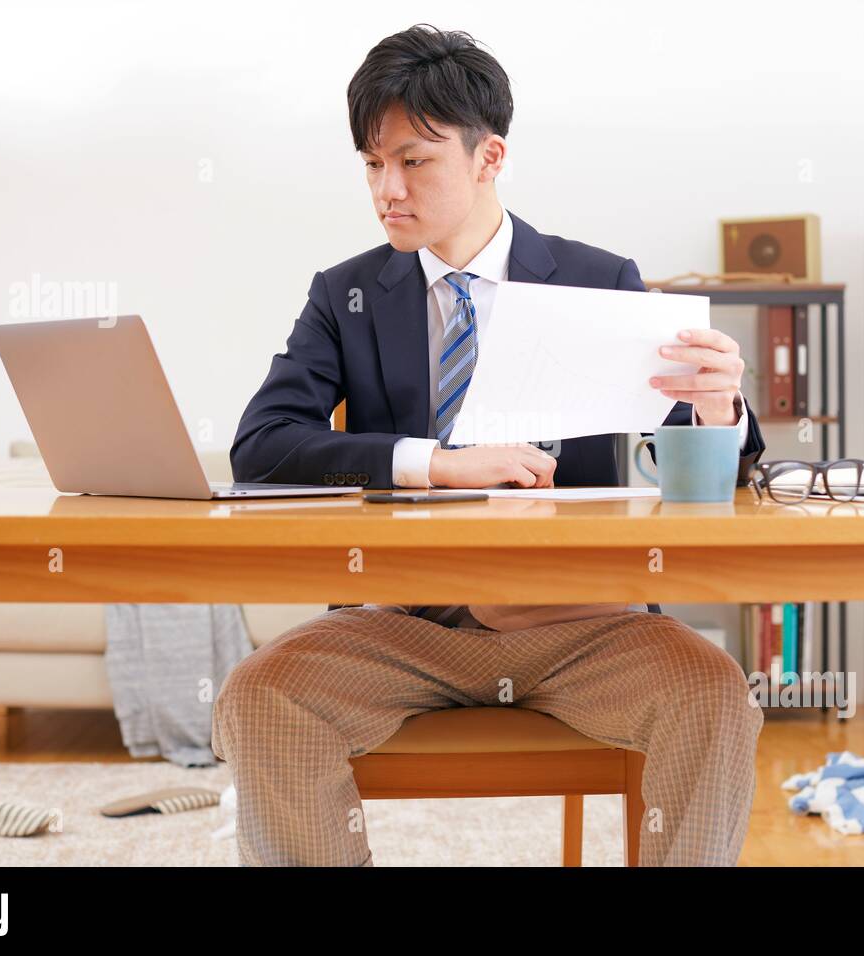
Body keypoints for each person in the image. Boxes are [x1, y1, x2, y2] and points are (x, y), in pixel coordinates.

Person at [212, 23, 766, 866]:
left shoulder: (598, 278)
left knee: (715, 694)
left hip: (580, 621)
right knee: (259, 697)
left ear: (489, 157)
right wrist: (432, 464)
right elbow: (262, 446)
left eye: (414, 160)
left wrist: (721, 406)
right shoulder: (347, 293)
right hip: (402, 618)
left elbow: (694, 446)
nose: (386, 189)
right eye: (372, 163)